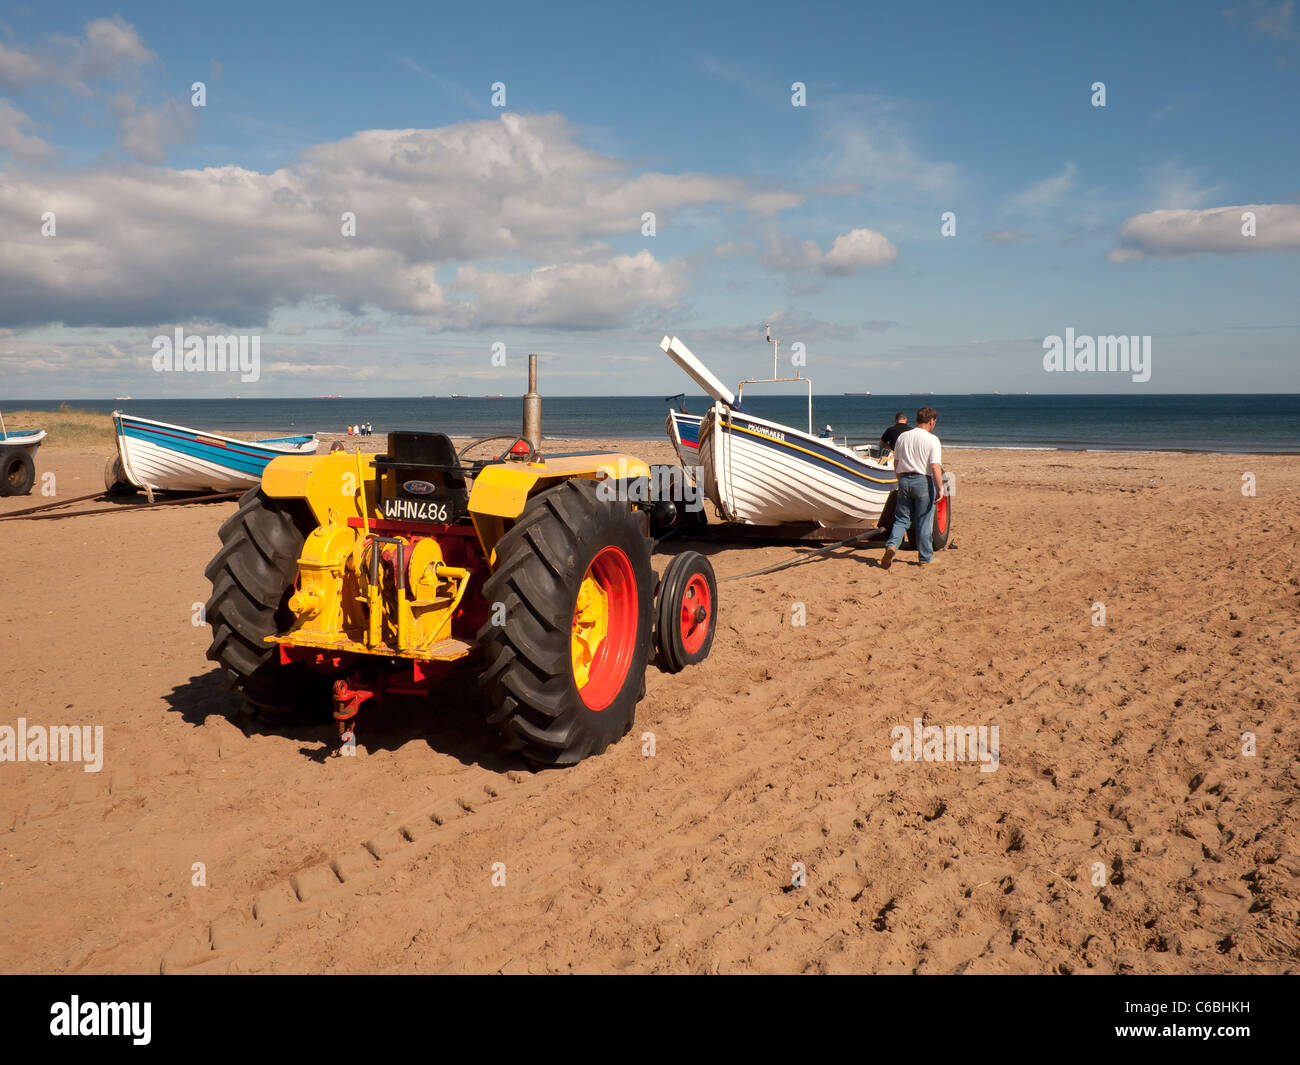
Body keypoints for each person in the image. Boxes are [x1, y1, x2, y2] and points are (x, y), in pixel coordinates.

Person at [880, 407, 943, 569]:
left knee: (901, 519)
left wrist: (900, 479)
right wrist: (940, 488)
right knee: (923, 520)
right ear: (931, 421)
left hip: (904, 479)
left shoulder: (903, 437)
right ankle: (925, 558)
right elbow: (935, 466)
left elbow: (896, 462)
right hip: (923, 480)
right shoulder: (932, 439)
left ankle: (892, 545)